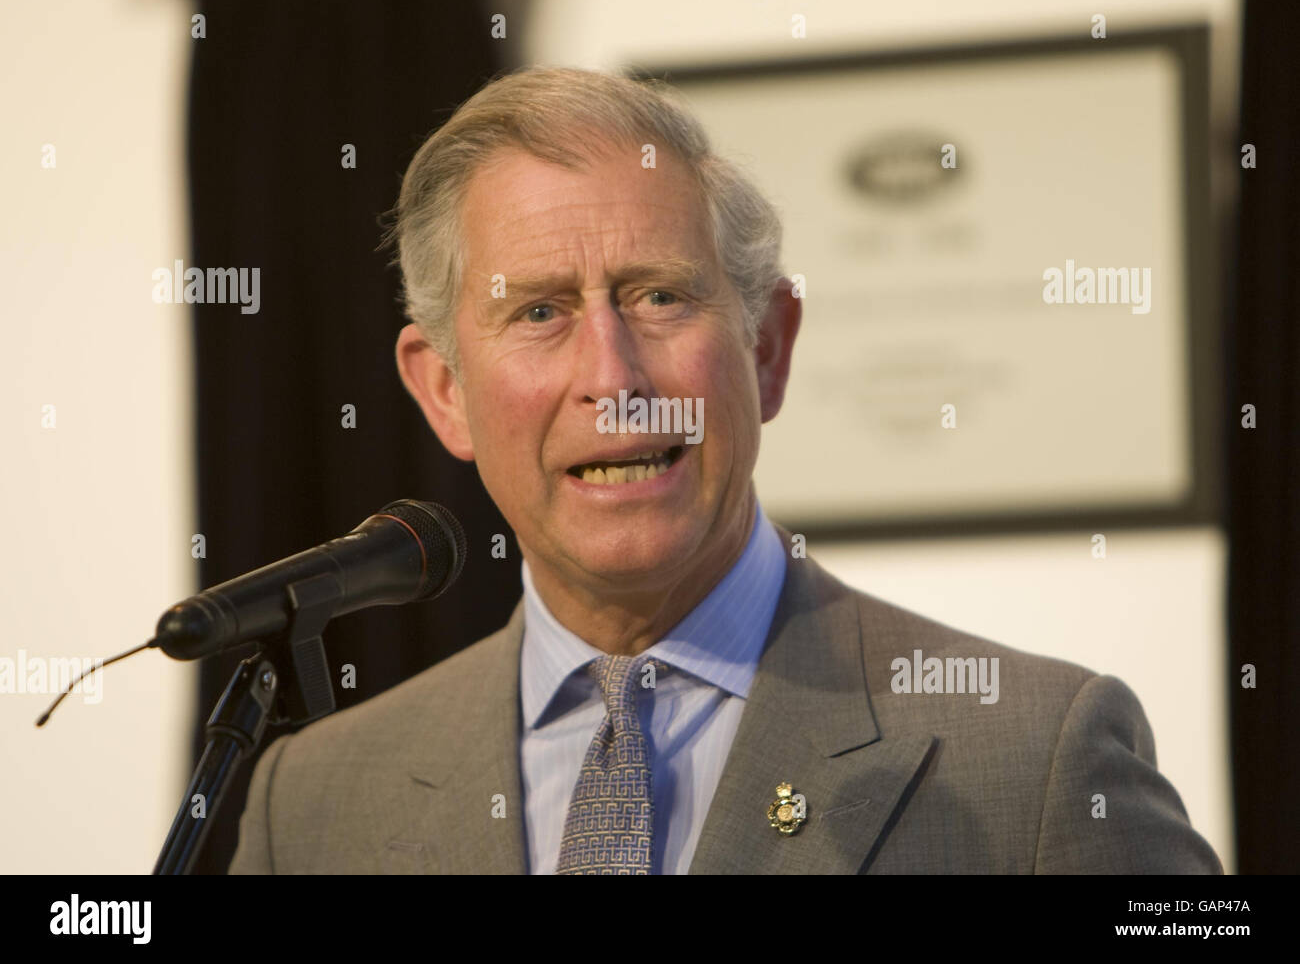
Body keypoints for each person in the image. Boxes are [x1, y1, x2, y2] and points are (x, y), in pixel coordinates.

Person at [228, 66, 1221, 874]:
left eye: (658, 296)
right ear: (443, 389)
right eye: (538, 312)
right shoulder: (310, 802)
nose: (611, 378)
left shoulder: (1040, 757)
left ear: (767, 347)